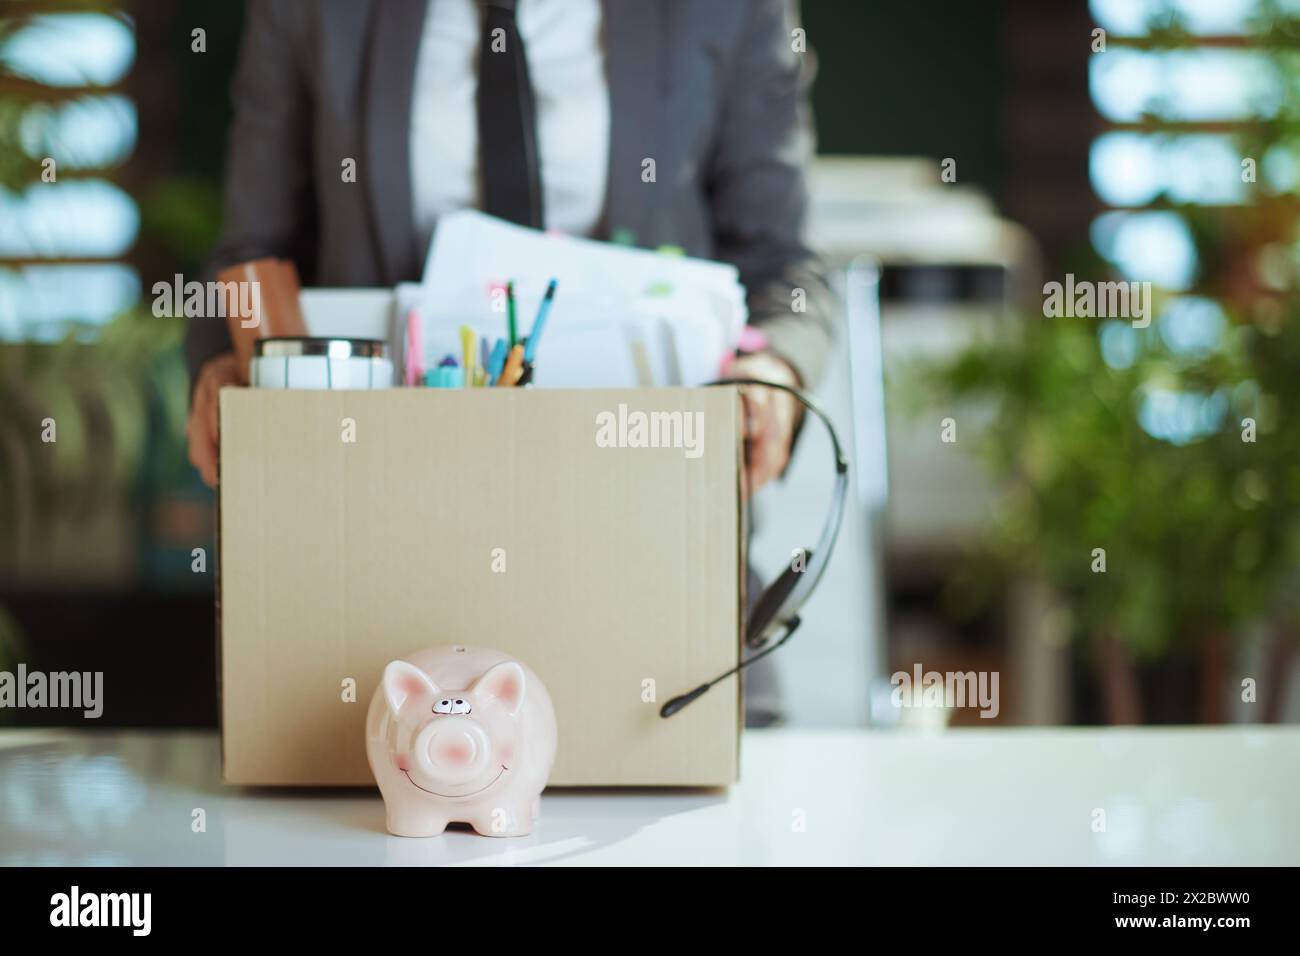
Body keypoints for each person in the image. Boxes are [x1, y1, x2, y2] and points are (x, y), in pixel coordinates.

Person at [185, 0, 835, 495]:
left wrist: (775, 368)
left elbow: (783, 263)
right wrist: (227, 360)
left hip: (647, 497)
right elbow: (251, 247)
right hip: (381, 496)